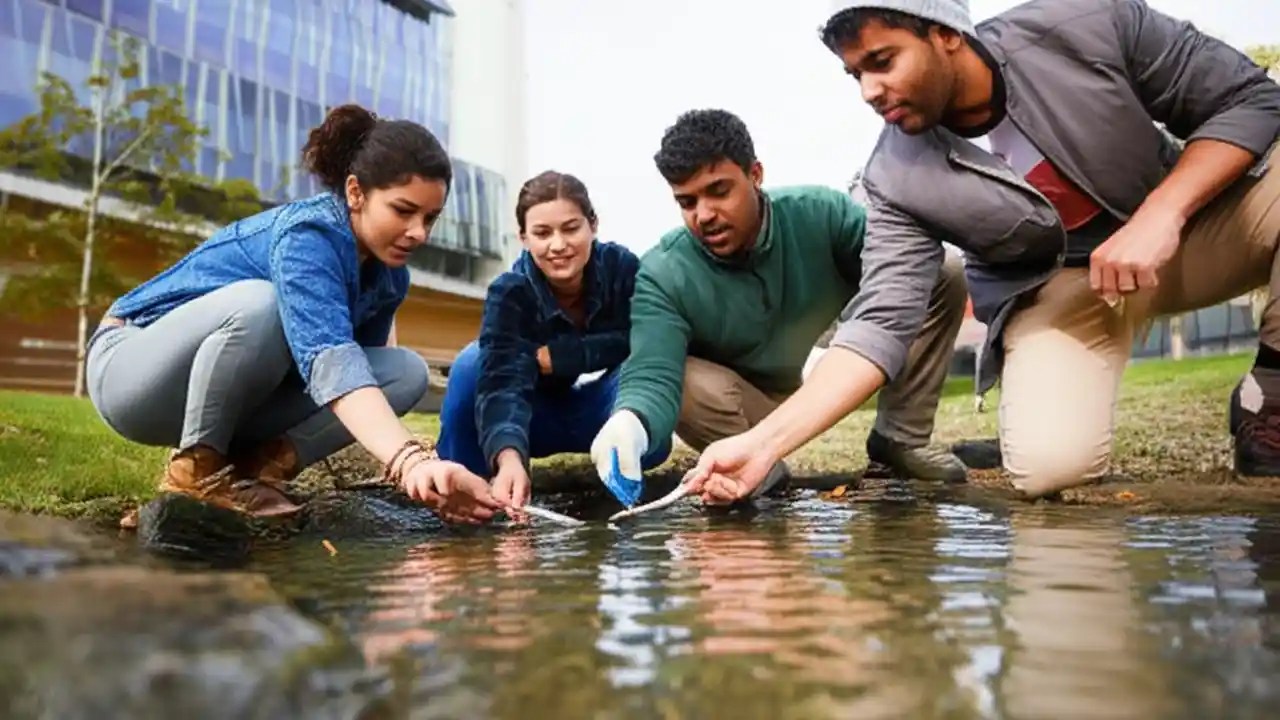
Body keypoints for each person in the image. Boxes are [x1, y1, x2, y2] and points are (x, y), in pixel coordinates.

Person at [684, 0, 1280, 505]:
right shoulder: (894, 175)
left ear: (946, 35)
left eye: (882, 62)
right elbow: (880, 325)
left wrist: (1162, 212)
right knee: (1047, 466)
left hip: (1194, 232)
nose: (869, 91)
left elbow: (1253, 99)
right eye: (854, 74)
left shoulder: (1087, 21)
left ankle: (1269, 391)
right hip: (1065, 291)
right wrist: (761, 445)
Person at [87, 103, 502, 525]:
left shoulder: (390, 277)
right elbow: (330, 361)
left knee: (405, 371)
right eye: (403, 210)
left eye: (430, 218)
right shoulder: (309, 235)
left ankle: (256, 472)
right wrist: (408, 461)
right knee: (261, 304)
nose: (419, 233)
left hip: (235, 399)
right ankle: (194, 476)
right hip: (132, 373)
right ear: (356, 193)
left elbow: (354, 383)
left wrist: (410, 460)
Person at [589, 108, 970, 508]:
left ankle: (900, 438)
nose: (703, 215)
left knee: (941, 271)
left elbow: (904, 264)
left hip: (821, 380)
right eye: (687, 201)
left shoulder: (821, 215)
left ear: (756, 175)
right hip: (733, 408)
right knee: (683, 377)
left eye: (719, 191)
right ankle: (759, 472)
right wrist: (631, 420)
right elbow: (652, 369)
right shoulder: (663, 273)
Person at [435, 171, 671, 507]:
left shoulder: (622, 268)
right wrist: (509, 457)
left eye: (571, 228)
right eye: (542, 233)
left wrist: (568, 356)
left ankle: (624, 467)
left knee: (648, 361)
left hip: (604, 414)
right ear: (524, 237)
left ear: (593, 225)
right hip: (532, 420)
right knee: (472, 364)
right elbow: (503, 383)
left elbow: (651, 338)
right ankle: (472, 489)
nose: (558, 245)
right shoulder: (510, 292)